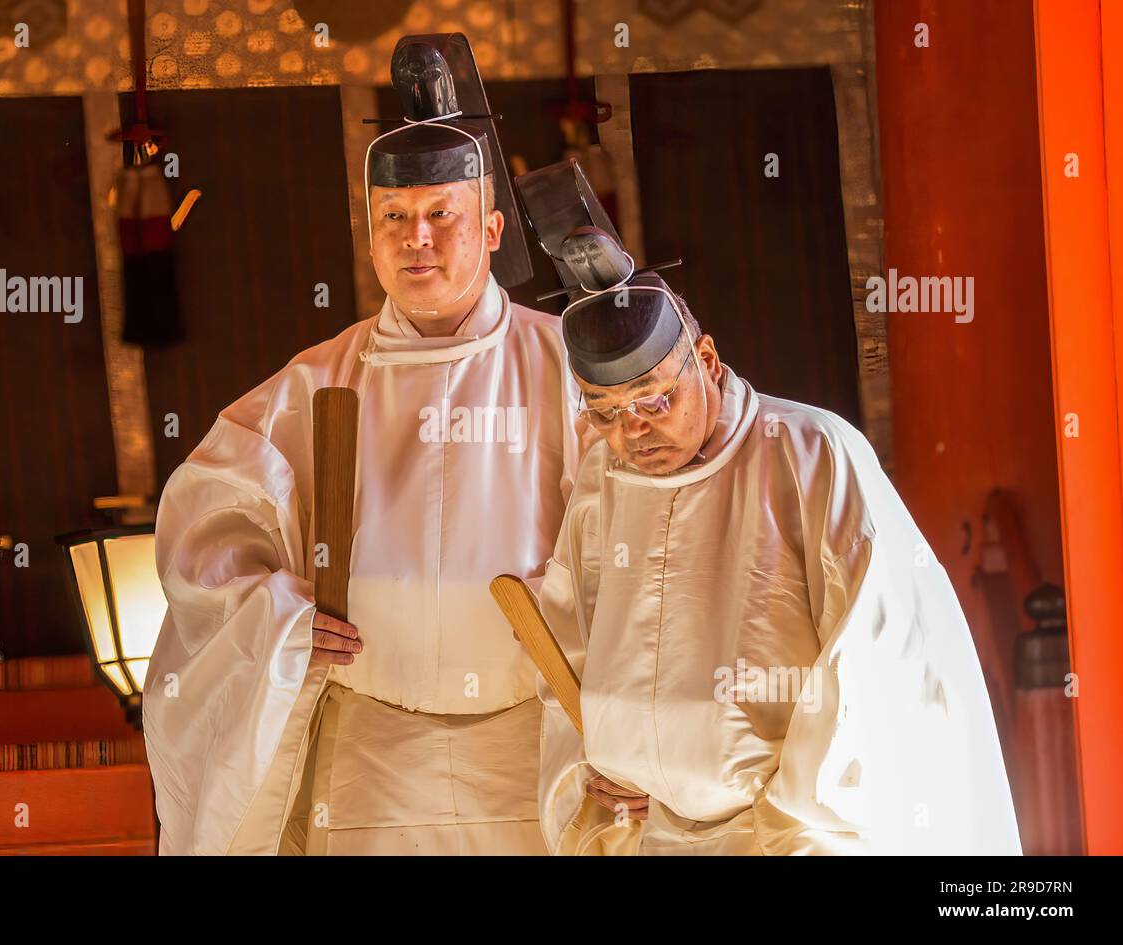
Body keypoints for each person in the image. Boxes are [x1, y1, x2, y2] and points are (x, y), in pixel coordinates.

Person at [141, 34, 587, 855]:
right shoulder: (312, 385)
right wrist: (273, 619)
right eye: (394, 219)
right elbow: (208, 529)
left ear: (491, 229)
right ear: (370, 235)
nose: (417, 237)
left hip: (531, 749)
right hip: (373, 754)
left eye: (440, 216)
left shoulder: (567, 365)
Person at [519, 159, 1022, 855]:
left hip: (784, 837)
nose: (633, 431)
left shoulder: (812, 454)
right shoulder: (606, 480)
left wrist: (786, 825)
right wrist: (595, 763)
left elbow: (872, 666)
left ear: (708, 358)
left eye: (656, 400)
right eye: (604, 412)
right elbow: (568, 647)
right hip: (648, 833)